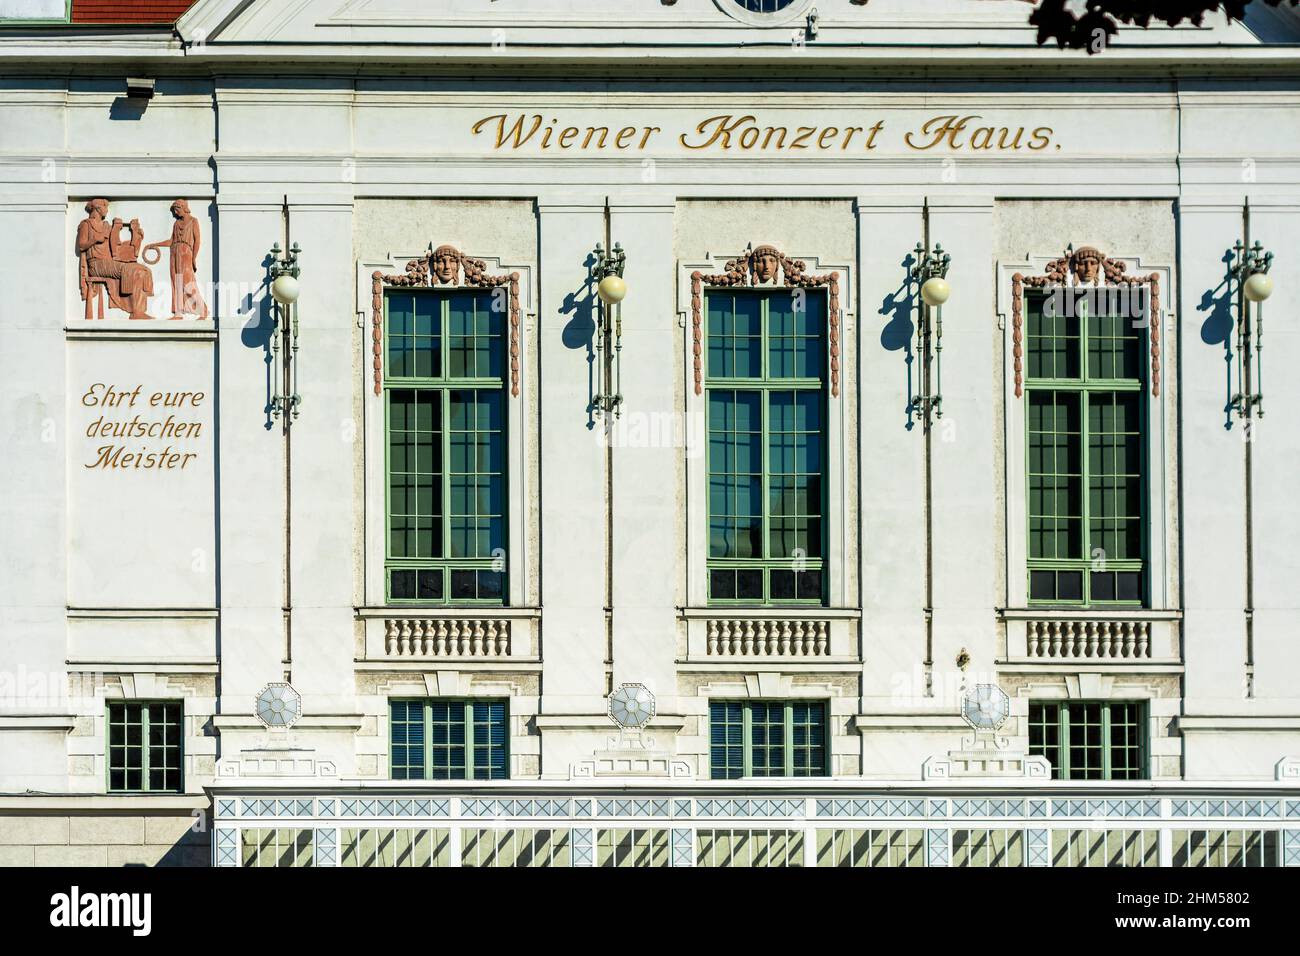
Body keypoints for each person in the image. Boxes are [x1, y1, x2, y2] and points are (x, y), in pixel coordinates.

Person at [76, 198, 155, 320]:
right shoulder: (86, 224)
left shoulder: (106, 225)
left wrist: (138, 238)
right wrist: (95, 239)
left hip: (110, 263)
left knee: (143, 269)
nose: (107, 211)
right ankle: (136, 312)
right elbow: (81, 246)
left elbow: (117, 248)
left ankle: (139, 311)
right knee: (133, 270)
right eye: (105, 207)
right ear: (98, 208)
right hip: (97, 265)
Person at [145, 199, 209, 319]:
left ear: (183, 207)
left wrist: (193, 258)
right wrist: (154, 244)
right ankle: (178, 312)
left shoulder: (193, 221)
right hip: (174, 252)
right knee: (176, 282)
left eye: (177, 209)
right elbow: (171, 241)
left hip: (185, 252)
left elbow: (197, 241)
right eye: (174, 210)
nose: (175, 212)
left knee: (187, 282)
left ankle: (203, 309)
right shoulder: (176, 224)